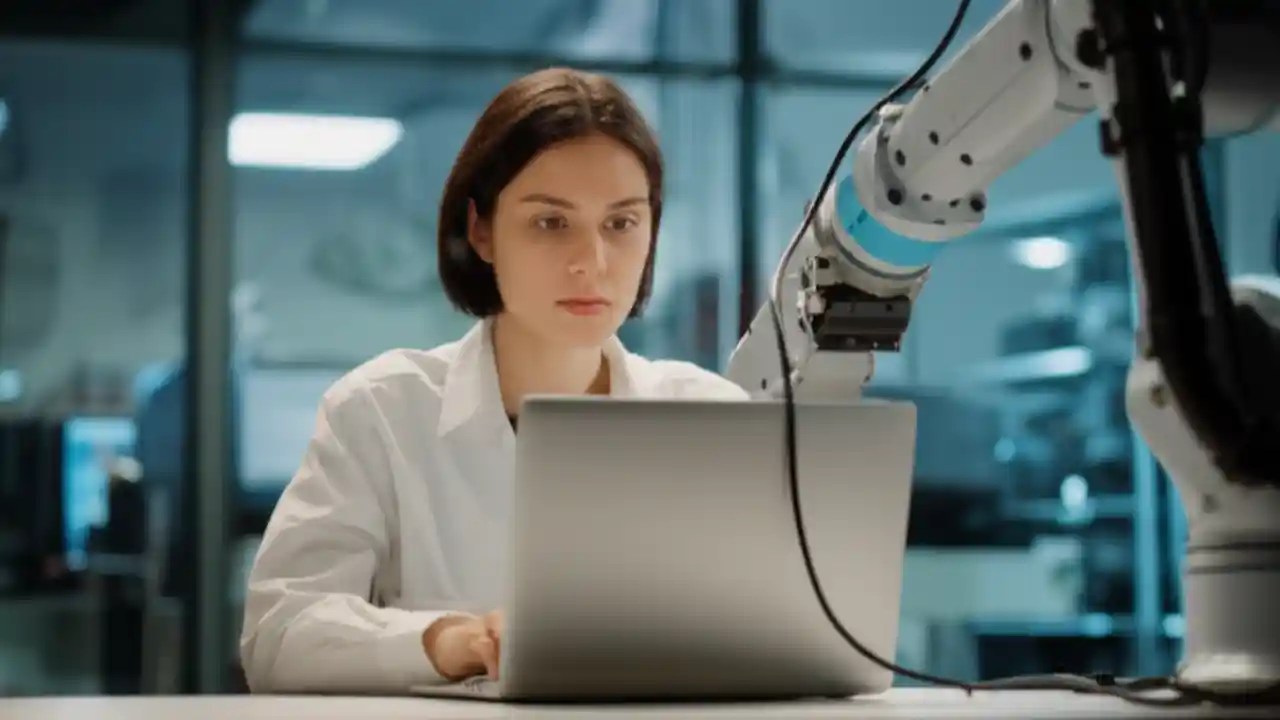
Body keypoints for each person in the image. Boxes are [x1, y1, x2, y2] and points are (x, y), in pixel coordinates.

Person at [238, 67, 749, 695]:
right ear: (481, 230)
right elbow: (279, 635)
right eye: (550, 222)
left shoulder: (711, 415)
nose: (592, 260)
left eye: (621, 223)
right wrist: (456, 642)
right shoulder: (382, 410)